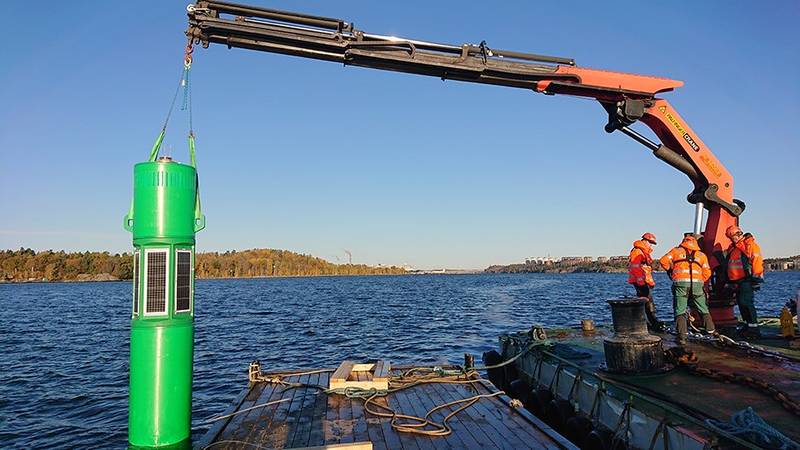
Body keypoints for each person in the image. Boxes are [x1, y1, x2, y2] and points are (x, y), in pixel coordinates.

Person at [659, 235, 716, 346]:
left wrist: (671, 270)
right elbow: (707, 272)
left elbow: (663, 261)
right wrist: (700, 281)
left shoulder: (676, 251)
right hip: (697, 285)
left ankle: (682, 336)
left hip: (680, 284)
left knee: (680, 309)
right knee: (703, 308)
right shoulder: (701, 255)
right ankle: (711, 332)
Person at [724, 226, 764, 338]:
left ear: (738, 234)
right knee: (741, 303)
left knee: (746, 303)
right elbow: (730, 264)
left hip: (747, 280)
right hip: (737, 280)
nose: (732, 239)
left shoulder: (749, 245)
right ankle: (748, 325)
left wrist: (755, 279)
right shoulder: (733, 248)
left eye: (732, 237)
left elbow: (756, 261)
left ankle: (754, 328)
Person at [628, 232, 664, 330]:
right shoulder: (637, 251)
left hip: (643, 281)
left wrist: (649, 282)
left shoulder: (642, 251)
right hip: (640, 281)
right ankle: (651, 323)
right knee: (647, 302)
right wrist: (641, 282)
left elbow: (644, 269)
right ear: (645, 241)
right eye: (650, 242)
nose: (651, 245)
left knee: (647, 302)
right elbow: (636, 268)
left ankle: (650, 322)